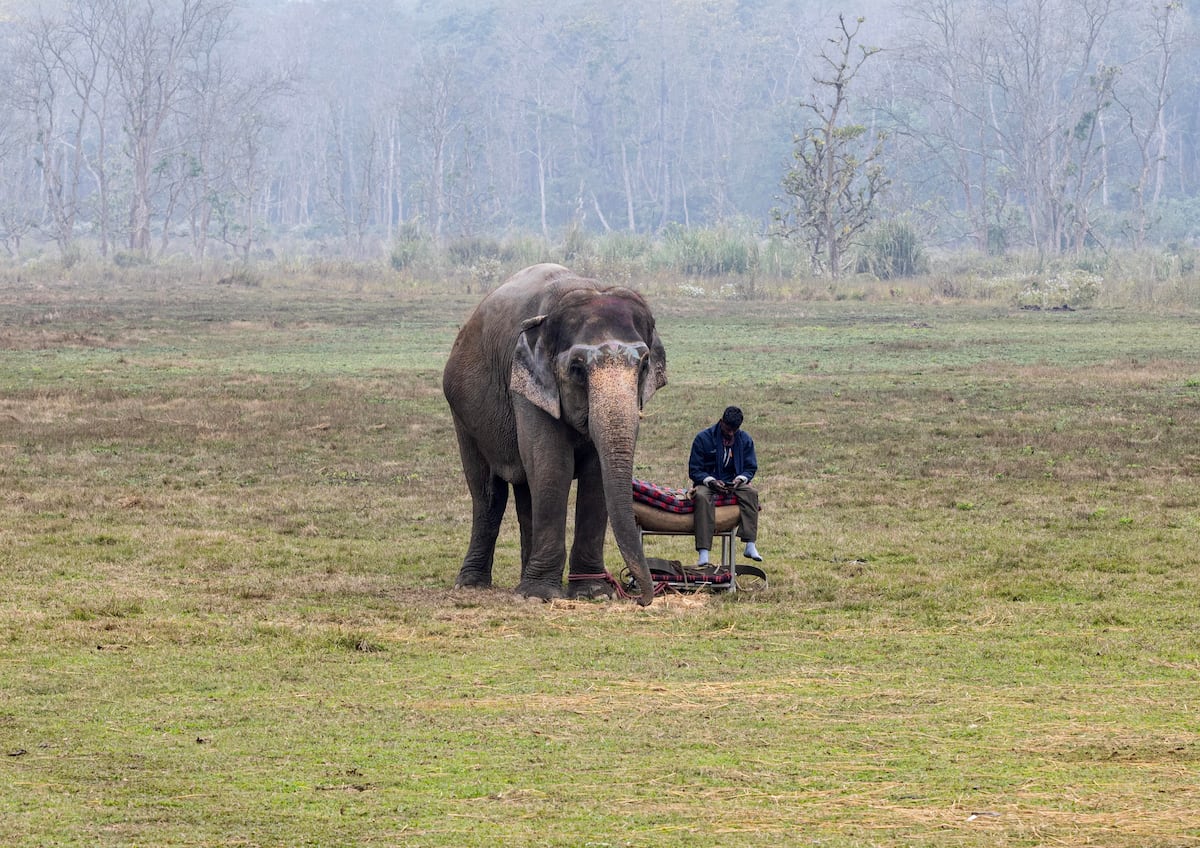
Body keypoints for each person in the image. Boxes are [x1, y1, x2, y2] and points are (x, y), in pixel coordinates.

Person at [688, 405, 761, 565]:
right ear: (721, 422)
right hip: (707, 482)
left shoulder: (745, 439)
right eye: (728, 429)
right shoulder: (703, 439)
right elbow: (694, 470)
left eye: (734, 430)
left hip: (733, 482)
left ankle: (750, 543)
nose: (731, 434)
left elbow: (750, 468)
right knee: (701, 496)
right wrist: (711, 481)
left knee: (751, 493)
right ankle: (704, 552)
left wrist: (740, 479)